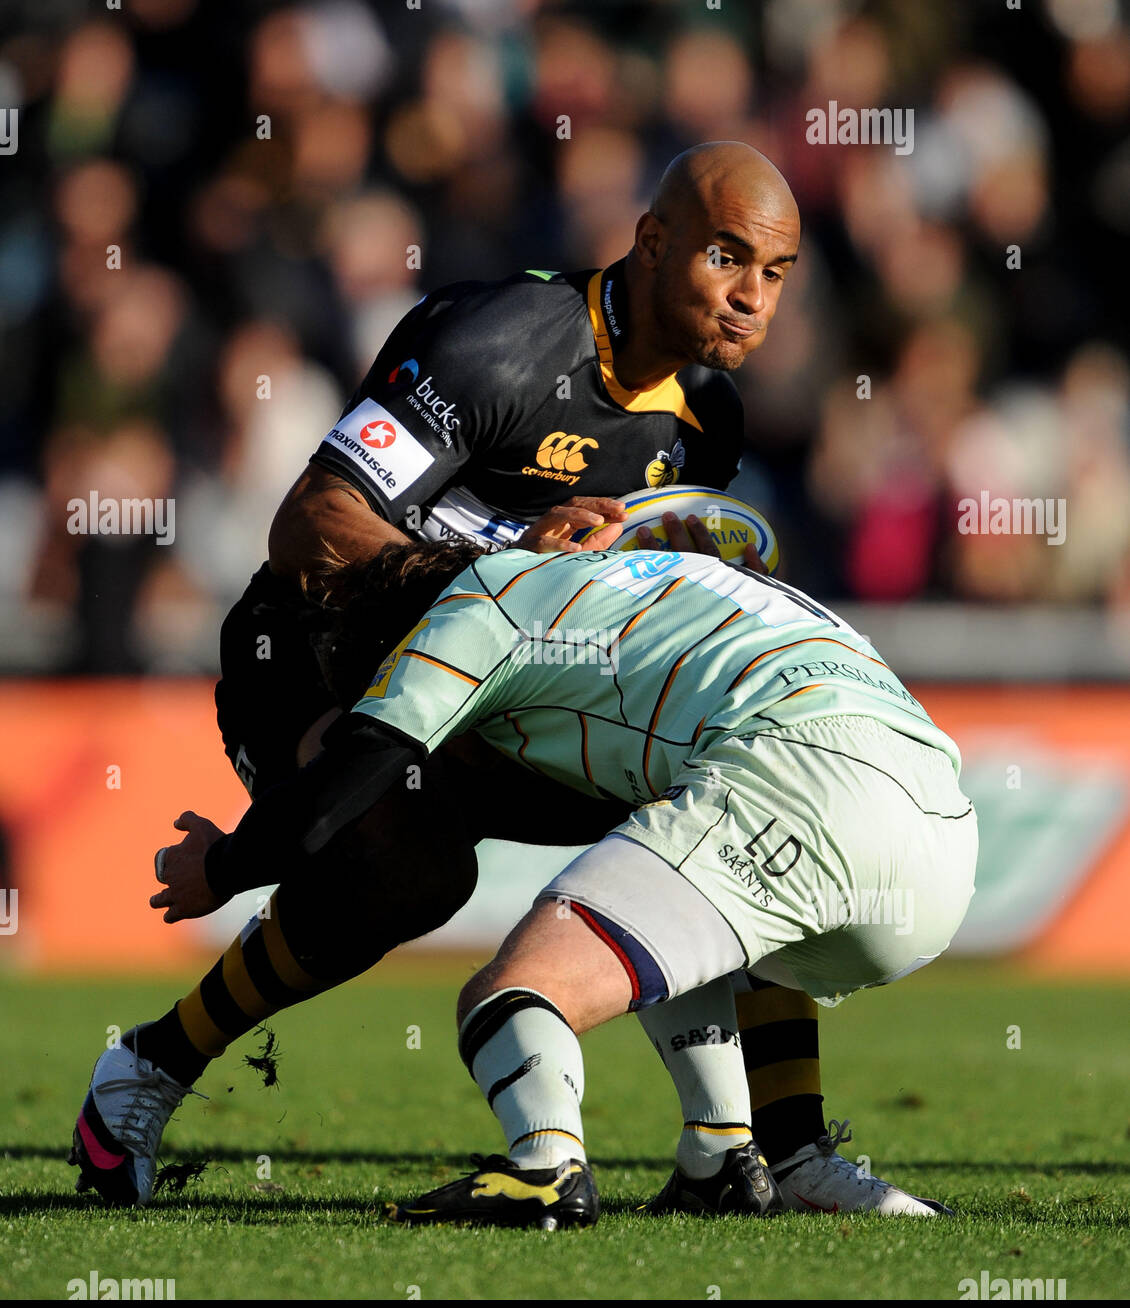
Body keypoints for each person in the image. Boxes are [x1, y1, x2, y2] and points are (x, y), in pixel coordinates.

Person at [68, 142, 942, 1216]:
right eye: (726, 258)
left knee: (723, 780)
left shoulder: (706, 420)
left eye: (774, 270)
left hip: (515, 687)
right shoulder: (497, 341)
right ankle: (148, 1068)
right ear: (652, 240)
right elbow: (308, 529)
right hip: (318, 654)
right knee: (410, 864)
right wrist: (497, 569)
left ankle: (771, 1148)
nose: (752, 297)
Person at [144, 537, 979, 1229]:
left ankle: (545, 1166)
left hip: (796, 775)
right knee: (671, 882)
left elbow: (360, 764)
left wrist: (223, 866)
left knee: (507, 998)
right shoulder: (654, 575)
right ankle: (733, 1160)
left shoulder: (473, 609)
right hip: (942, 843)